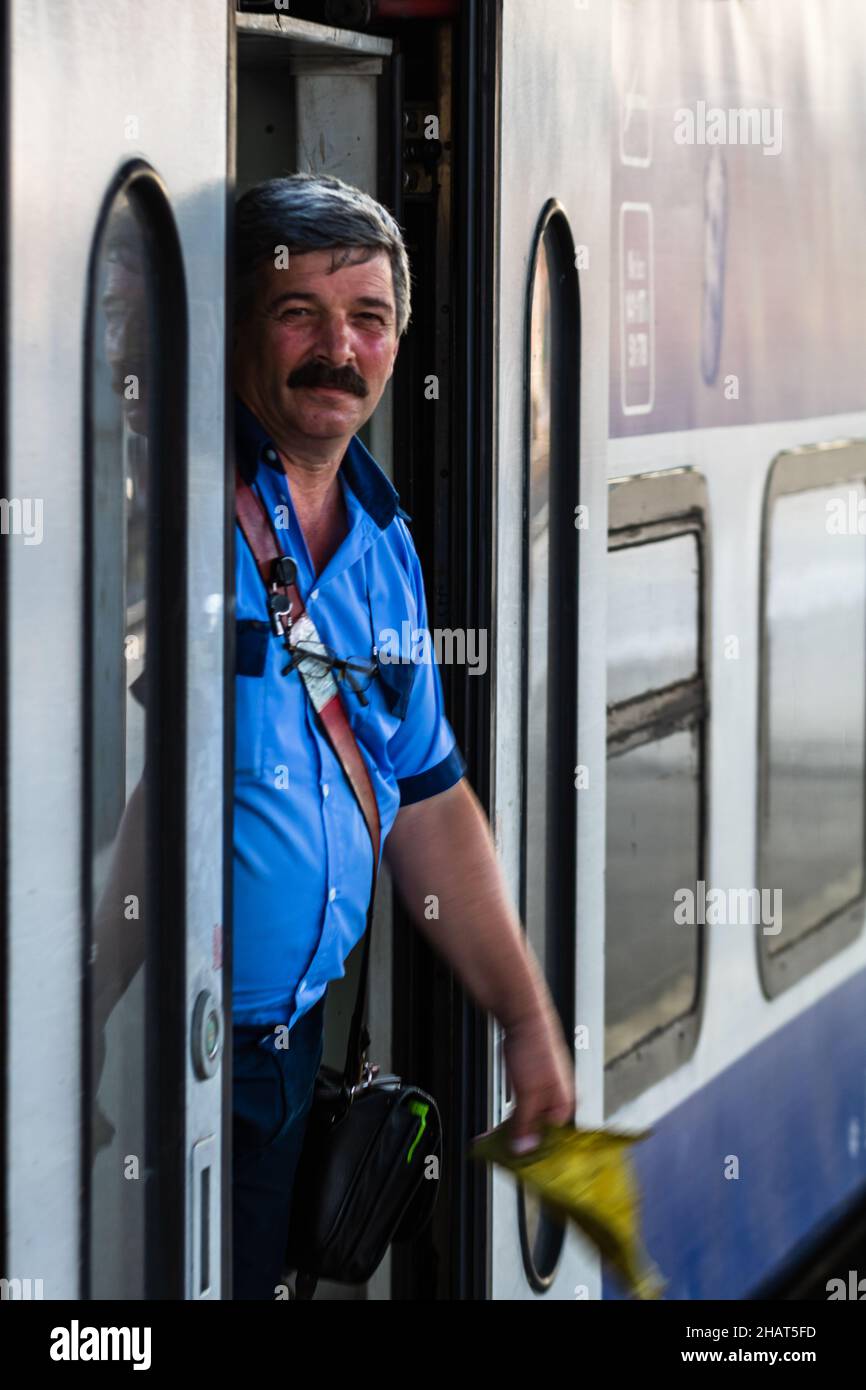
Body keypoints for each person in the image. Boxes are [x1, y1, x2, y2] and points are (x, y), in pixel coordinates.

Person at [231, 172, 575, 1300]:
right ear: (241, 325)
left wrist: (522, 1019)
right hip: (161, 1066)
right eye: (299, 314)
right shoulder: (169, 512)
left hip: (280, 1066)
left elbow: (425, 804)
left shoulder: (383, 544)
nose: (338, 349)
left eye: (367, 320)